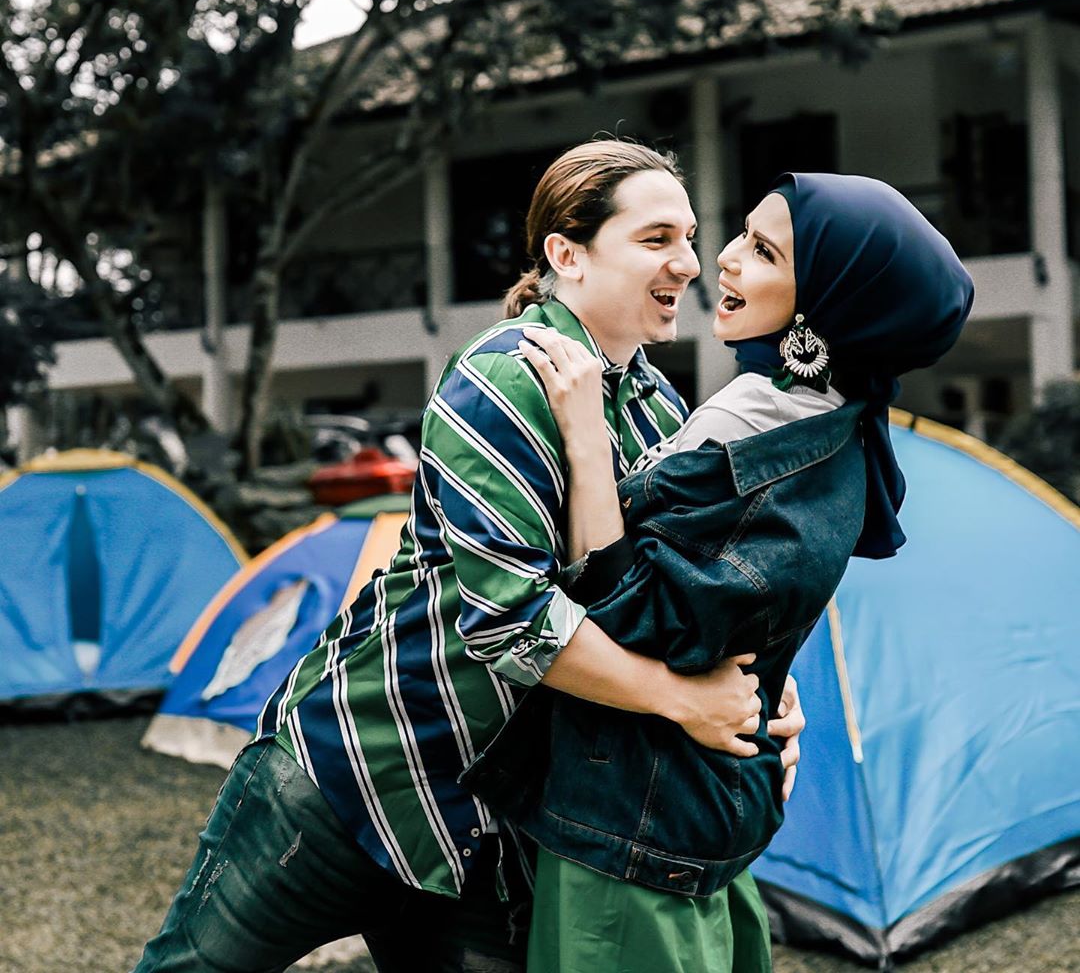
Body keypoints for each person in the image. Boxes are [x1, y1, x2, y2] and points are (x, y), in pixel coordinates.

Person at [131, 140, 805, 973]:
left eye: (691, 238)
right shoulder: (502, 376)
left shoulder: (660, 410)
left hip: (486, 831)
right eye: (656, 238)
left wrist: (760, 702)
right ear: (568, 254)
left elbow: (684, 593)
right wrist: (681, 701)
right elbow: (511, 619)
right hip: (353, 778)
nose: (691, 263)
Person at [464, 172, 974, 972]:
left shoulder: (761, 431)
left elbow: (633, 614)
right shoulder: (808, 417)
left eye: (764, 252)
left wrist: (587, 438)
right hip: (690, 806)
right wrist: (769, 682)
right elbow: (737, 607)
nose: (721, 262)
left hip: (641, 821)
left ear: (824, 304)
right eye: (735, 235)